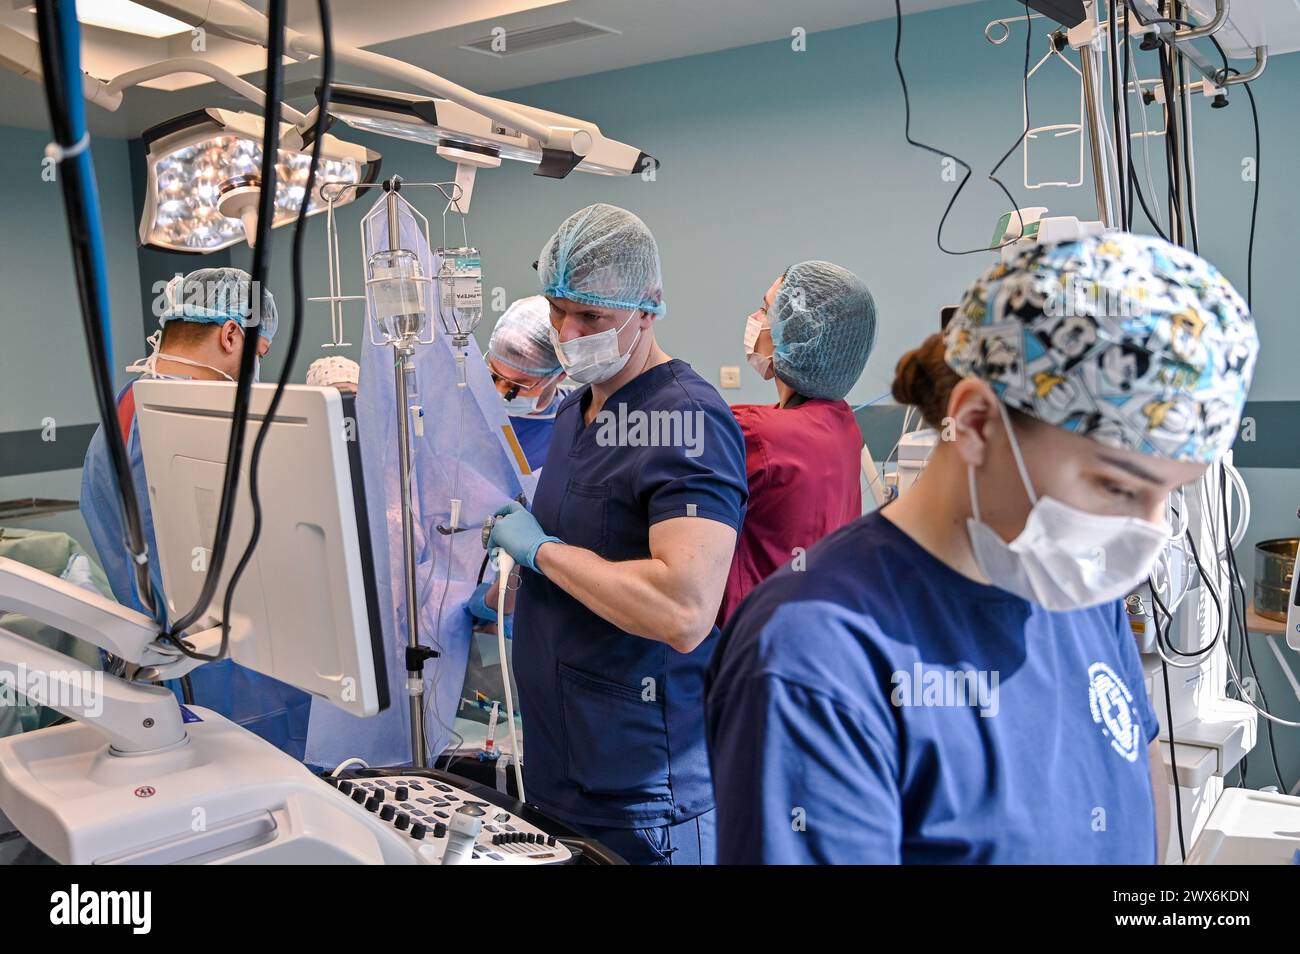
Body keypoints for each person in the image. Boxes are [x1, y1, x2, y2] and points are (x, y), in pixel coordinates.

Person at [705, 233, 1258, 864]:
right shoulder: (816, 655)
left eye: (1171, 495)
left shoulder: (1072, 582)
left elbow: (1138, 777)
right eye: (1116, 485)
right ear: (974, 424)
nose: (1145, 533)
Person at [484, 204, 748, 865]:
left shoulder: (686, 420)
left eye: (593, 318)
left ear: (648, 308)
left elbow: (683, 609)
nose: (568, 334)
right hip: (559, 769)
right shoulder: (577, 410)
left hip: (641, 790)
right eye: (557, 308)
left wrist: (542, 553)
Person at [80, 267, 312, 759]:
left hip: (163, 672)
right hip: (228, 680)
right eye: (259, 355)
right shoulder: (188, 420)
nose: (257, 371)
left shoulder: (125, 408)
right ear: (232, 333)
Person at [721, 261, 876, 623]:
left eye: (766, 309)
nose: (756, 318)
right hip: (810, 626)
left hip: (752, 638)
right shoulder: (841, 421)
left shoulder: (756, 432)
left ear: (799, 332)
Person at [485, 295, 566, 471]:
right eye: (494, 376)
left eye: (517, 386)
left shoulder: (576, 425)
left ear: (561, 374)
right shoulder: (467, 413)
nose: (500, 391)